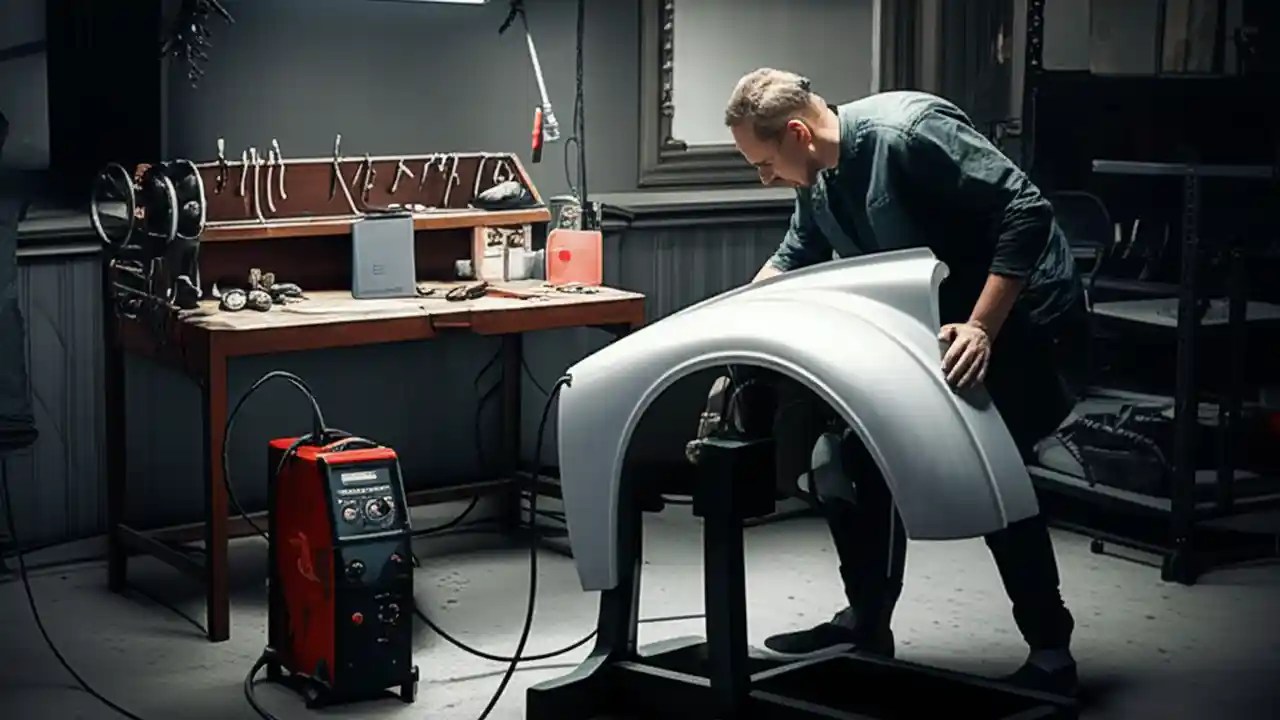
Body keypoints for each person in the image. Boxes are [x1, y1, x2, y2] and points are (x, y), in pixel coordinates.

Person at [722, 68, 1090, 697]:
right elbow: (796, 252)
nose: (765, 177)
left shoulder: (911, 134)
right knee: (845, 460)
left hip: (1015, 318)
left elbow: (1026, 210)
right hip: (934, 327)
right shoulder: (818, 175)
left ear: (796, 132)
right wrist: (729, 325)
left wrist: (980, 326)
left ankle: (1051, 649)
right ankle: (866, 623)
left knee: (992, 473)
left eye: (763, 163)